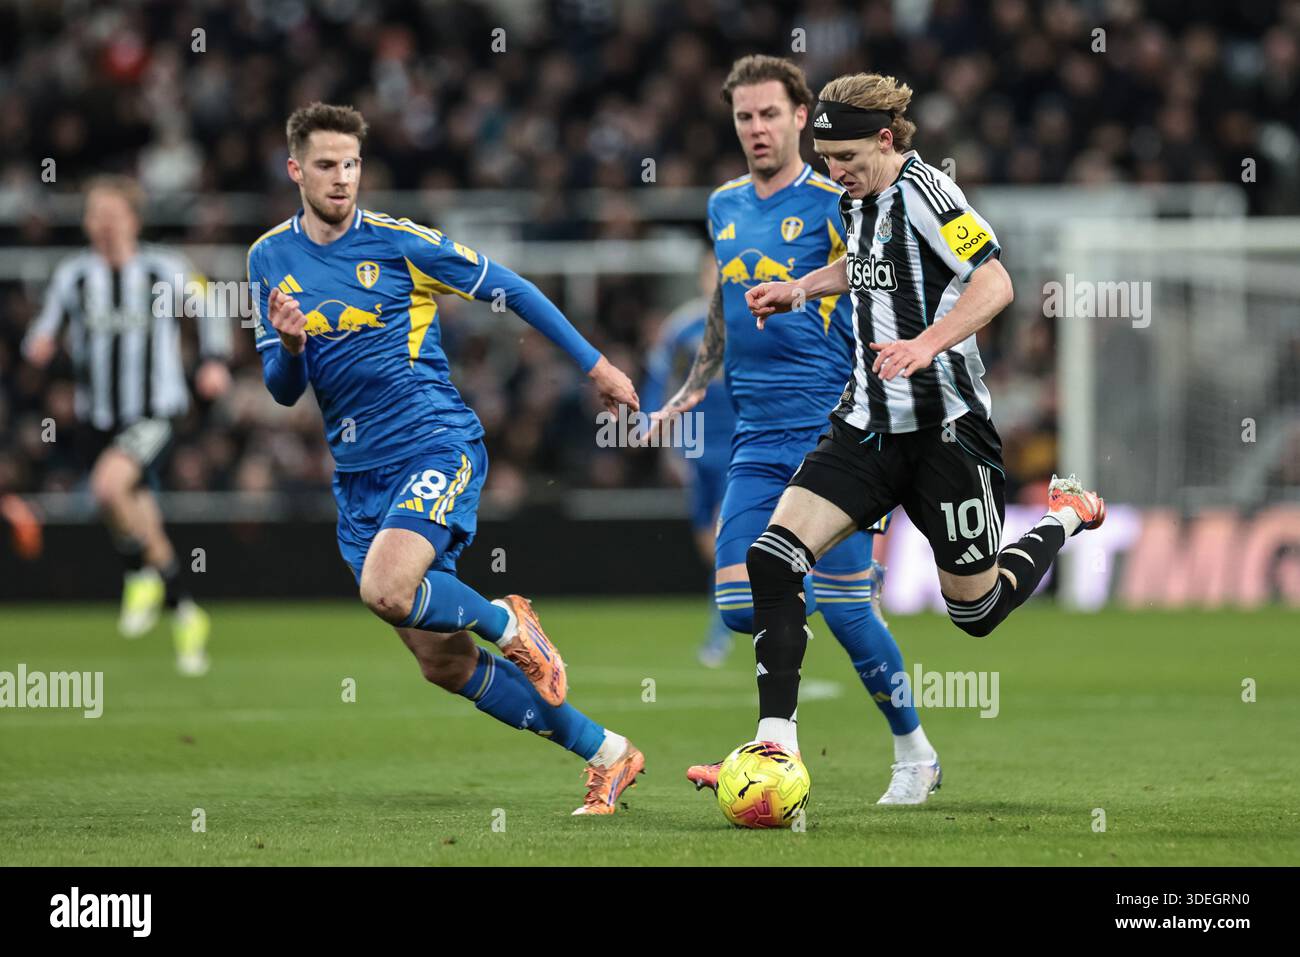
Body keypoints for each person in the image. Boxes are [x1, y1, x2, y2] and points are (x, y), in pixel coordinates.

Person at [248, 102, 644, 814]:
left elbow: (513, 289)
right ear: (295, 170)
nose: (342, 179)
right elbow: (282, 393)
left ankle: (509, 620)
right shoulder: (267, 258)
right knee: (443, 662)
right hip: (358, 480)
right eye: (327, 165)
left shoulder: (401, 244)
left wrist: (597, 366)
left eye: (352, 164)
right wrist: (292, 345)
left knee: (388, 590)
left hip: (434, 444)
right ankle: (608, 753)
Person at [742, 73, 1106, 793]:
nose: (833, 173)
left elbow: (994, 282)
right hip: (867, 427)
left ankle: (1065, 516)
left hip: (947, 434)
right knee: (773, 558)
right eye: (824, 159)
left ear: (886, 139)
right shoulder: (856, 197)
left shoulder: (931, 192)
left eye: (845, 157)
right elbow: (870, 265)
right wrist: (801, 287)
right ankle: (773, 747)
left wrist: (928, 344)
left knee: (974, 611)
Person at [654, 57, 938, 804]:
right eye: (744, 116)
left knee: (845, 608)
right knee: (740, 603)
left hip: (833, 430)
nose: (756, 128)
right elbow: (722, 300)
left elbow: (881, 281)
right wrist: (694, 381)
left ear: (801, 118)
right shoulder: (722, 206)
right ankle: (779, 732)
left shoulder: (838, 200)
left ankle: (912, 752)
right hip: (754, 435)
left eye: (770, 114)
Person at [23, 175, 229, 675]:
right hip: (98, 418)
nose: (103, 224)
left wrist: (213, 359)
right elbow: (43, 330)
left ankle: (137, 574)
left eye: (113, 213)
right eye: (95, 214)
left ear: (133, 219)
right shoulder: (74, 275)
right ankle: (184, 609)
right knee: (142, 517)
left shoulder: (164, 266)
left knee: (108, 487)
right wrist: (40, 345)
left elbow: (212, 305)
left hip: (155, 411)